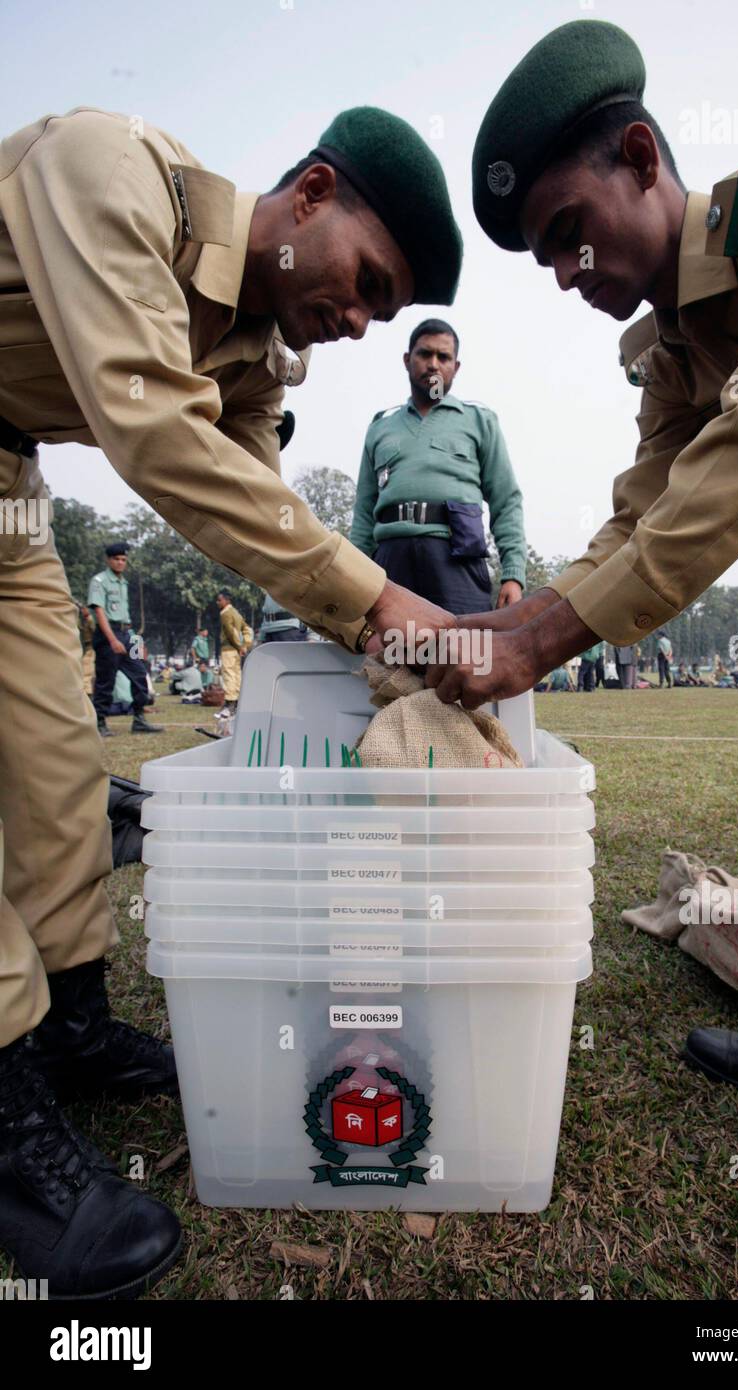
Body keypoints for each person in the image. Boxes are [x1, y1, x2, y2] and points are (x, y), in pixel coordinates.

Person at [427, 18, 738, 1288]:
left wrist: (544, 640)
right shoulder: (675, 341)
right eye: (544, 260)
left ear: (641, 156)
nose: (568, 272)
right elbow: (638, 513)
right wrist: (502, 628)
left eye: (572, 231)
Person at [0, 102, 462, 1298]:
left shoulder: (262, 352)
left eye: (382, 310)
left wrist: (385, 650)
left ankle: (72, 1025)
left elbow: (267, 519)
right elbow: (154, 432)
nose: (359, 321)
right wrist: (384, 604)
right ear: (309, 196)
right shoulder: (107, 174)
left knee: (59, 770)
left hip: (7, 490)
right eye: (366, 280)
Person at [350, 319, 527, 614]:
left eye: (443, 357)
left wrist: (513, 574)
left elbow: (506, 501)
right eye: (424, 354)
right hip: (390, 564)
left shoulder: (480, 421)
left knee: (463, 653)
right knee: (390, 656)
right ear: (408, 360)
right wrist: (353, 575)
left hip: (457, 559)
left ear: (455, 367)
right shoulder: (381, 427)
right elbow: (364, 512)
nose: (433, 364)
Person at [87, 542, 163, 737]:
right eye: (117, 559)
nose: (121, 563)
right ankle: (100, 722)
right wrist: (112, 640)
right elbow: (99, 612)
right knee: (106, 680)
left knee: (139, 674)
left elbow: (125, 615)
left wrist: (135, 639)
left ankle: (139, 719)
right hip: (108, 635)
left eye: (123, 560)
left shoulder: (123, 583)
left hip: (126, 633)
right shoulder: (99, 581)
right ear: (108, 560)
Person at [217, 591, 250, 712]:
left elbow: (230, 633)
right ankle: (238, 701)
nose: (218, 602)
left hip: (229, 649)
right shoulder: (237, 613)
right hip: (237, 650)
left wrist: (239, 646)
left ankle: (230, 702)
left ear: (226, 600)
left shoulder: (225, 613)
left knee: (229, 674)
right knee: (237, 674)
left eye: (219, 600)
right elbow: (247, 629)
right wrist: (245, 645)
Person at [78, 602, 95, 697]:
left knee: (87, 674)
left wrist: (88, 616)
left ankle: (88, 695)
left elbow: (93, 628)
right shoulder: (82, 621)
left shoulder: (90, 620)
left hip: (92, 649)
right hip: (86, 648)